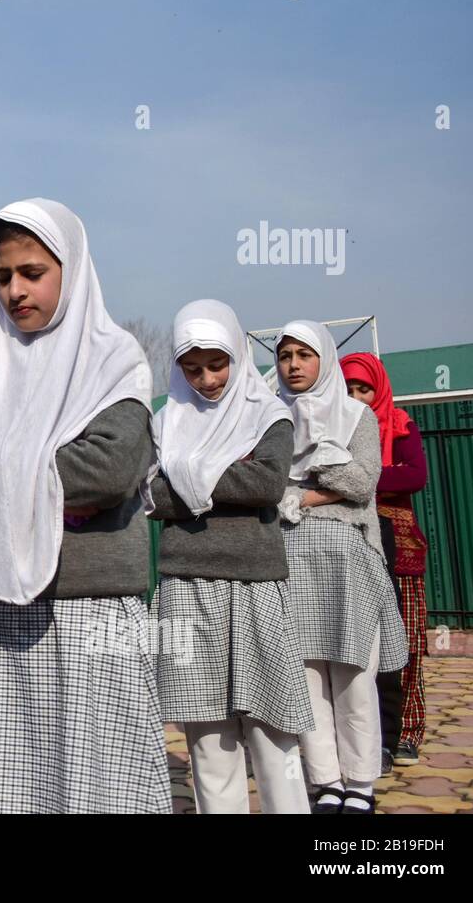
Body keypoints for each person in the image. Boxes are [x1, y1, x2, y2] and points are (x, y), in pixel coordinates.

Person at [0, 198, 171, 813]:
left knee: (105, 787)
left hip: (92, 609)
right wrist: (32, 485)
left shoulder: (113, 361)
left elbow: (110, 470)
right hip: (4, 610)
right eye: (2, 276)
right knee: (12, 787)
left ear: (73, 267)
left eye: (32, 272)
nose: (15, 290)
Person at [144, 300, 311, 813]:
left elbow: (266, 482)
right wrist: (220, 471)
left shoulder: (269, 415)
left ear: (238, 354)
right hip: (185, 588)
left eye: (217, 364)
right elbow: (152, 497)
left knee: (274, 730)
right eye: (192, 369)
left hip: (255, 586)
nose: (207, 379)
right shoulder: (165, 421)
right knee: (207, 740)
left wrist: (187, 473)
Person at [275, 322, 408, 814]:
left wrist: (307, 465)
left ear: (324, 359)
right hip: (289, 561)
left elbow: (359, 481)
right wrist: (309, 480)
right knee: (306, 677)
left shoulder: (355, 414)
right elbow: (266, 485)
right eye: (285, 355)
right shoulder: (270, 418)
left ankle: (361, 782)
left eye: (304, 355)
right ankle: (326, 781)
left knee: (354, 678)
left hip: (348, 562)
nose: (293, 365)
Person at [341, 352, 430, 768]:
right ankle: (366, 739)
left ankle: (407, 733)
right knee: (356, 647)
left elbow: (414, 474)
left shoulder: (399, 421)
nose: (357, 396)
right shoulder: (334, 424)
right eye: (349, 388)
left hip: (400, 548)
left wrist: (360, 477)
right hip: (350, 542)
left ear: (379, 388)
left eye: (364, 388)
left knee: (405, 644)